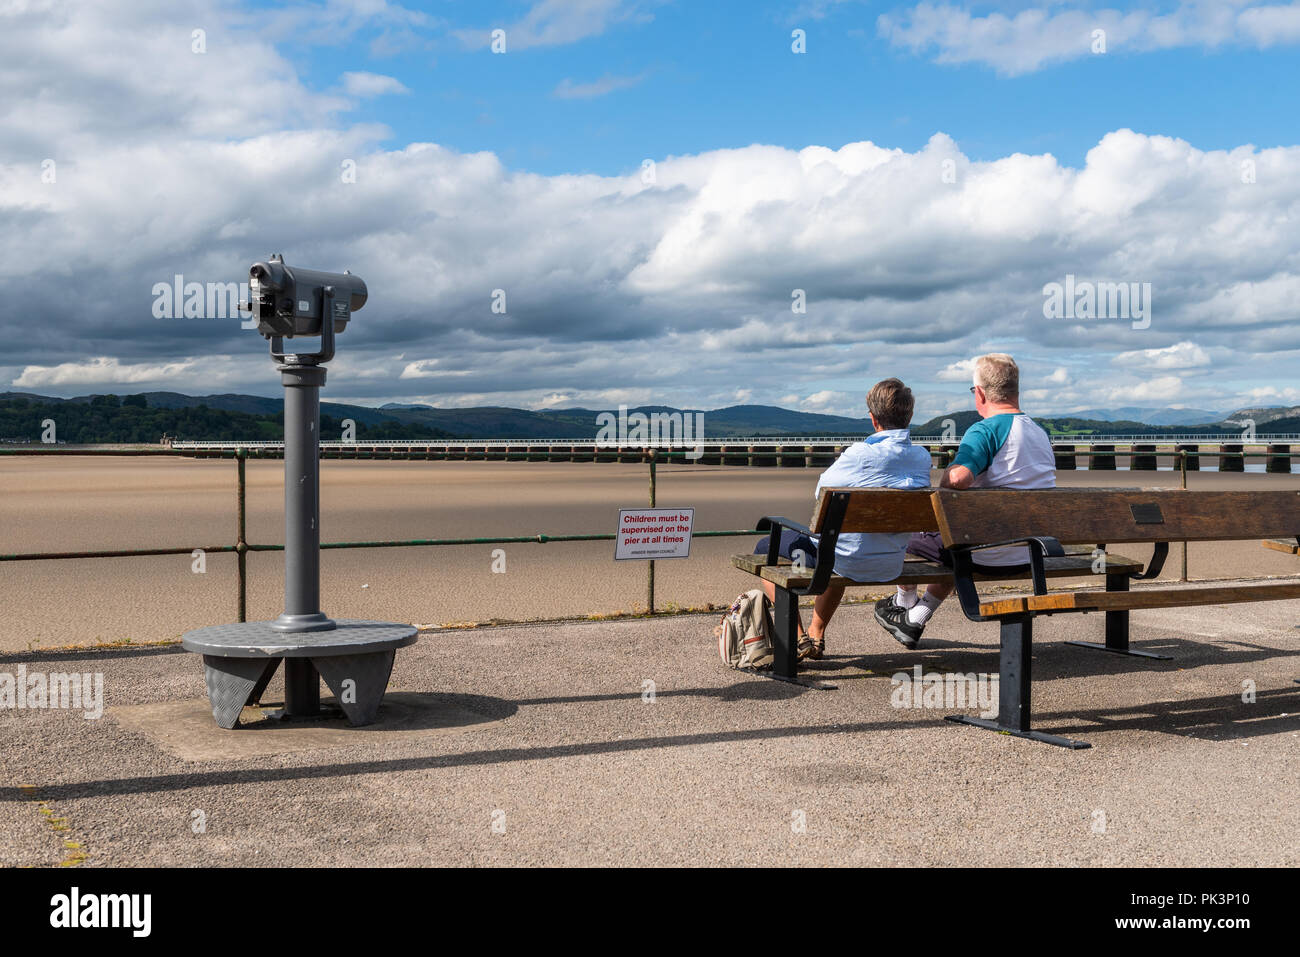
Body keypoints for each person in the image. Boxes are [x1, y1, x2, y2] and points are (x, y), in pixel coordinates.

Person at [873, 353, 1056, 649]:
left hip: (986, 553)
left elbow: (958, 479)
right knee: (954, 537)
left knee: (908, 532)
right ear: (1016, 391)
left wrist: (948, 472)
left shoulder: (985, 430)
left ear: (980, 393)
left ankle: (904, 601)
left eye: (974, 391)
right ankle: (916, 616)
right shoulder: (1040, 433)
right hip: (1031, 553)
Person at [754, 378, 932, 660]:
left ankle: (799, 635)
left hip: (846, 562)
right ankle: (817, 632)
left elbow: (821, 492)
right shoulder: (922, 457)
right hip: (891, 562)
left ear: (874, 420)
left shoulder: (860, 454)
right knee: (839, 546)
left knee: (766, 548)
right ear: (909, 416)